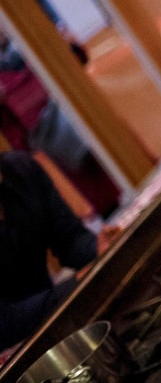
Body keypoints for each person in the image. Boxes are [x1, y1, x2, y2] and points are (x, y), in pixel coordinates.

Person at [0, 150, 122, 350]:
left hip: (52, 327)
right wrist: (76, 283)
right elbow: (5, 325)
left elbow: (70, 240)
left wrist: (99, 248)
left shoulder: (19, 168)